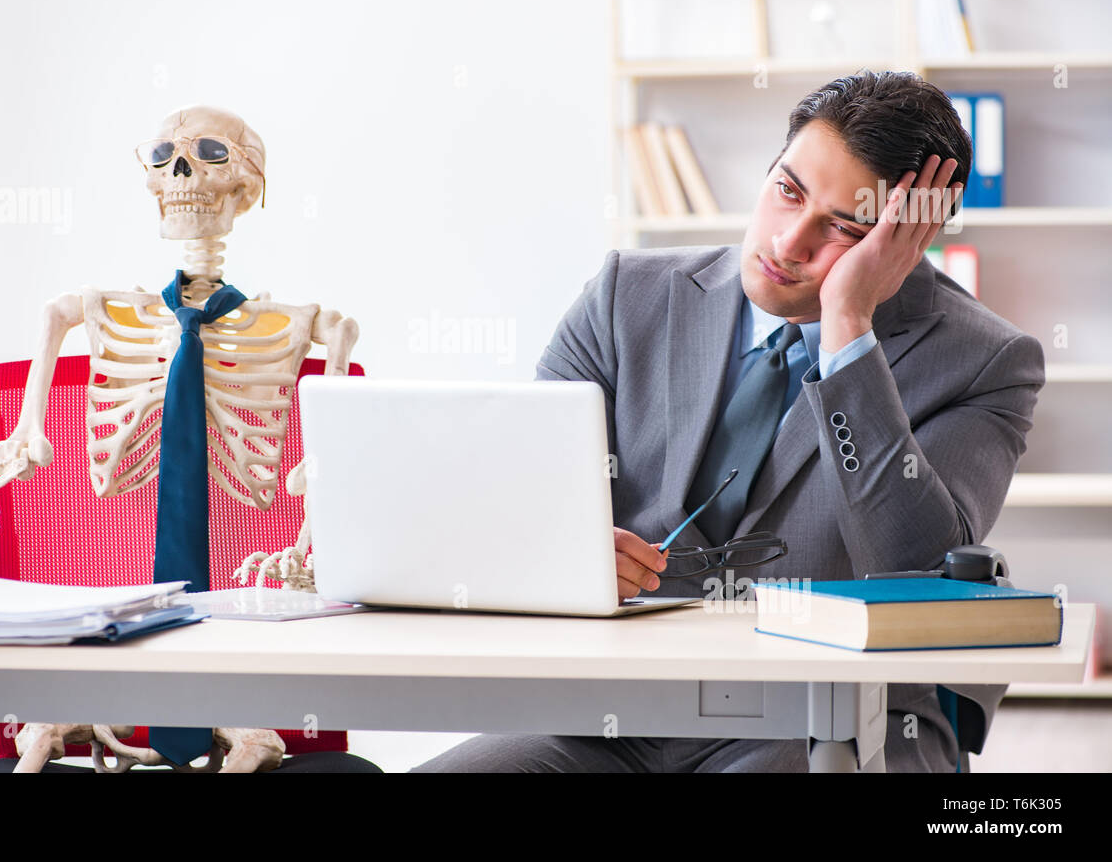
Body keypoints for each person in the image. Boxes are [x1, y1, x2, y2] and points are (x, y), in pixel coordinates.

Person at [412, 70, 1045, 772]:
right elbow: (511, 498)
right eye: (788, 191)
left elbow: (918, 570)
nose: (789, 242)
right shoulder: (627, 295)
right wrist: (567, 554)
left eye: (843, 228)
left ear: (906, 240)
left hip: (831, 713)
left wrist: (849, 333)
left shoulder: (987, 361)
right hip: (609, 711)